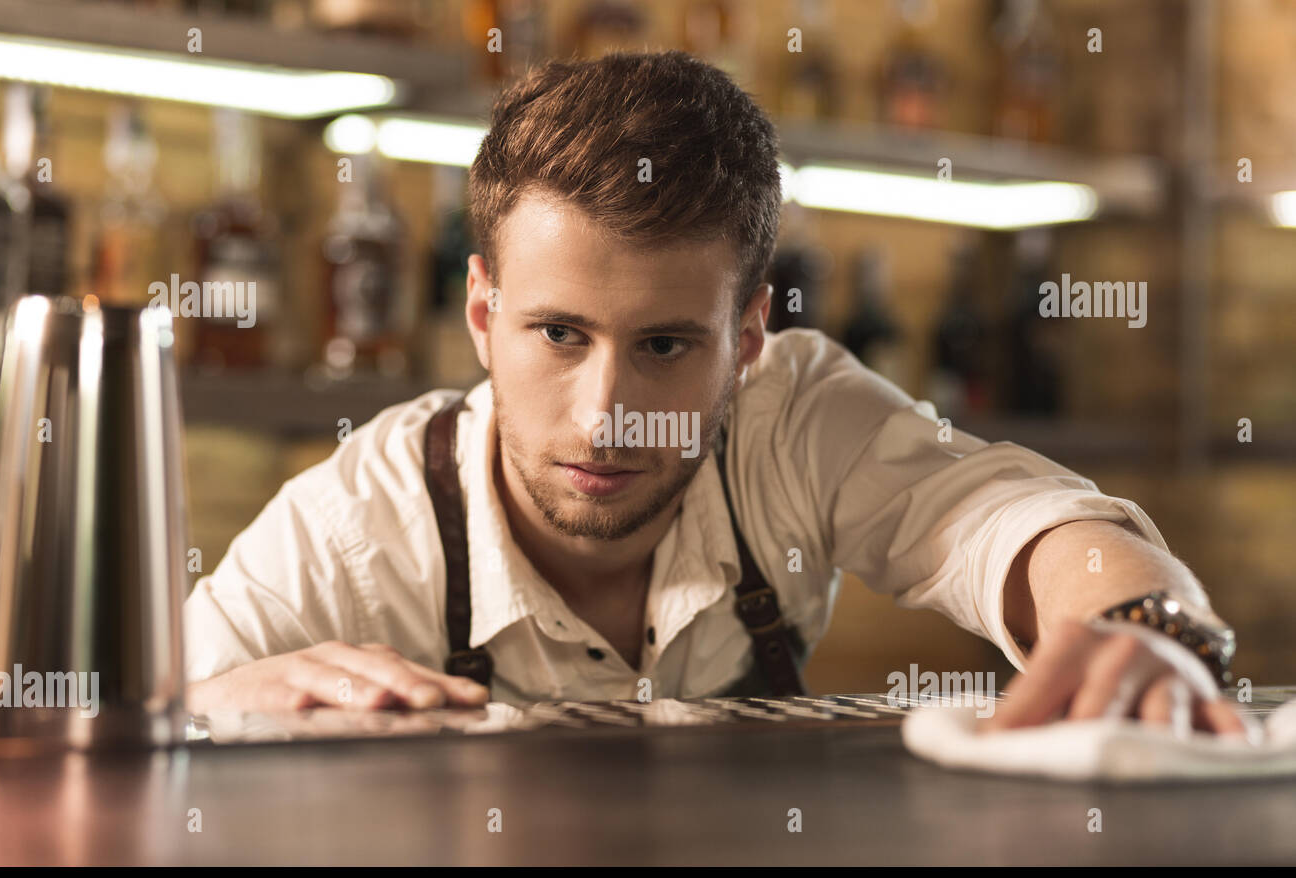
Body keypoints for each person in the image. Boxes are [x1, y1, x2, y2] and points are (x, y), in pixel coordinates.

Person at [185, 51, 1243, 736]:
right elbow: (120, 734)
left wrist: (1143, 622)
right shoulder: (354, 525)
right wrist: (203, 708)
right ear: (480, 313)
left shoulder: (794, 417)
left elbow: (1019, 518)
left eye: (662, 344)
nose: (606, 411)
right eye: (557, 333)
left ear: (745, 339)